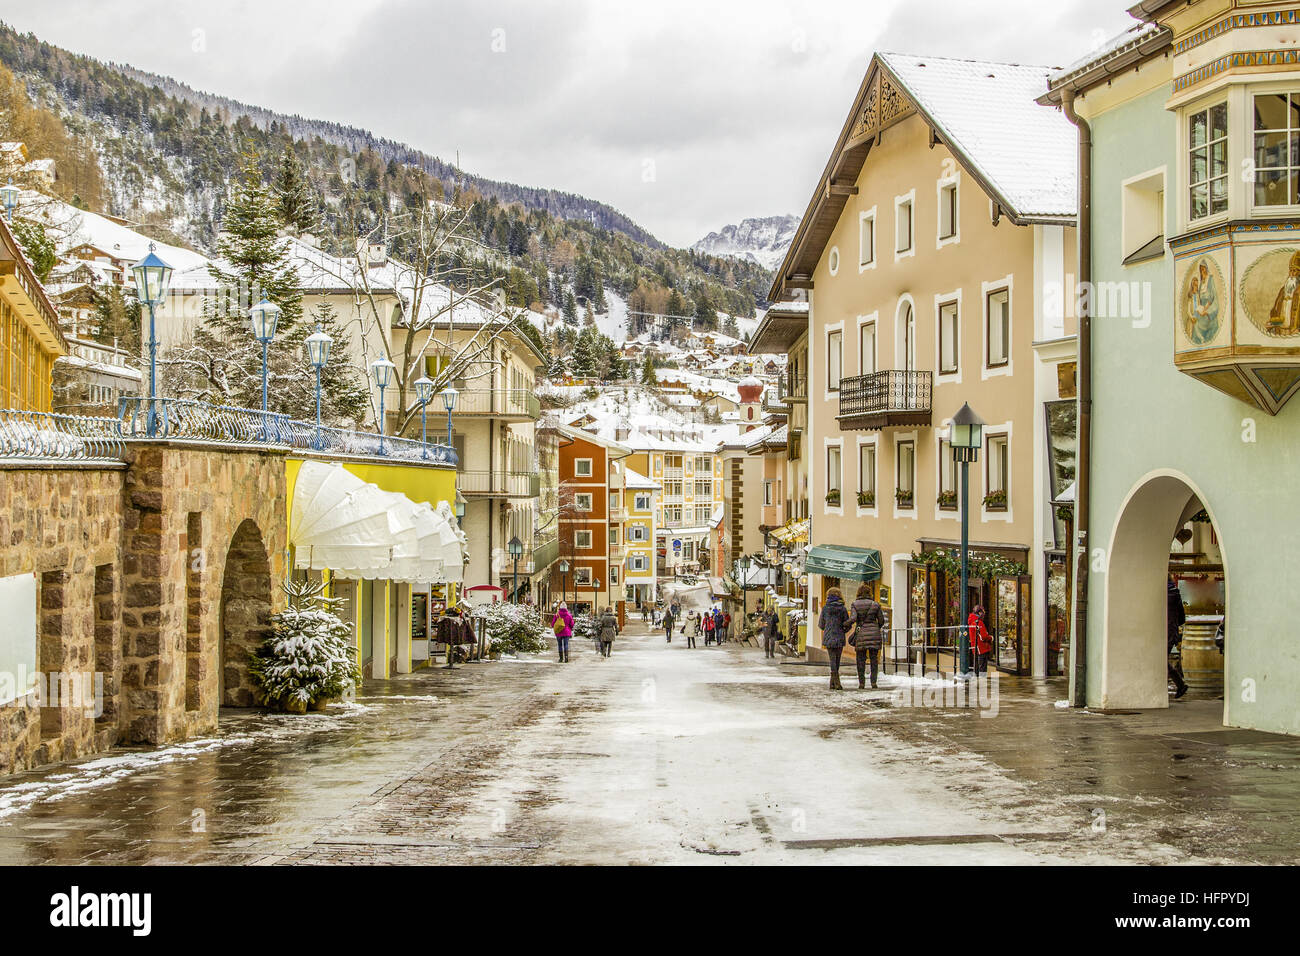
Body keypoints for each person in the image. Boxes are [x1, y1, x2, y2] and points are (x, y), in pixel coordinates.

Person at [848, 584, 887, 689]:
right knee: (874, 659)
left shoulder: (855, 604)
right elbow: (882, 621)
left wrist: (845, 624)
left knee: (860, 659)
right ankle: (873, 682)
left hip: (861, 635)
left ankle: (861, 683)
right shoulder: (875, 604)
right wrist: (875, 627)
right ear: (870, 593)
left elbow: (853, 618)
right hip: (874, 634)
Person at [818, 587, 850, 690]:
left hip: (828, 636)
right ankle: (836, 682)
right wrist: (843, 630)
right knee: (837, 659)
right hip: (839, 636)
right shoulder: (842, 608)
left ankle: (833, 682)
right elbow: (847, 623)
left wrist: (827, 628)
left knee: (832, 658)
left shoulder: (825, 608)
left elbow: (821, 624)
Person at [1168, 577, 1188, 699]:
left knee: (1160, 660)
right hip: (1172, 632)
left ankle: (1180, 684)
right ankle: (1180, 684)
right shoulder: (1176, 594)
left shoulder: (1159, 593)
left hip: (1162, 631)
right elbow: (1182, 618)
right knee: (1161, 659)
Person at [968, 605, 992, 675]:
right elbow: (983, 637)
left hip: (976, 648)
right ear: (979, 613)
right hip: (981, 648)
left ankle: (978, 681)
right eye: (982, 612)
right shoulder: (978, 622)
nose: (983, 614)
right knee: (982, 668)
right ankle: (981, 683)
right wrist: (991, 638)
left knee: (978, 667)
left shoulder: (972, 621)